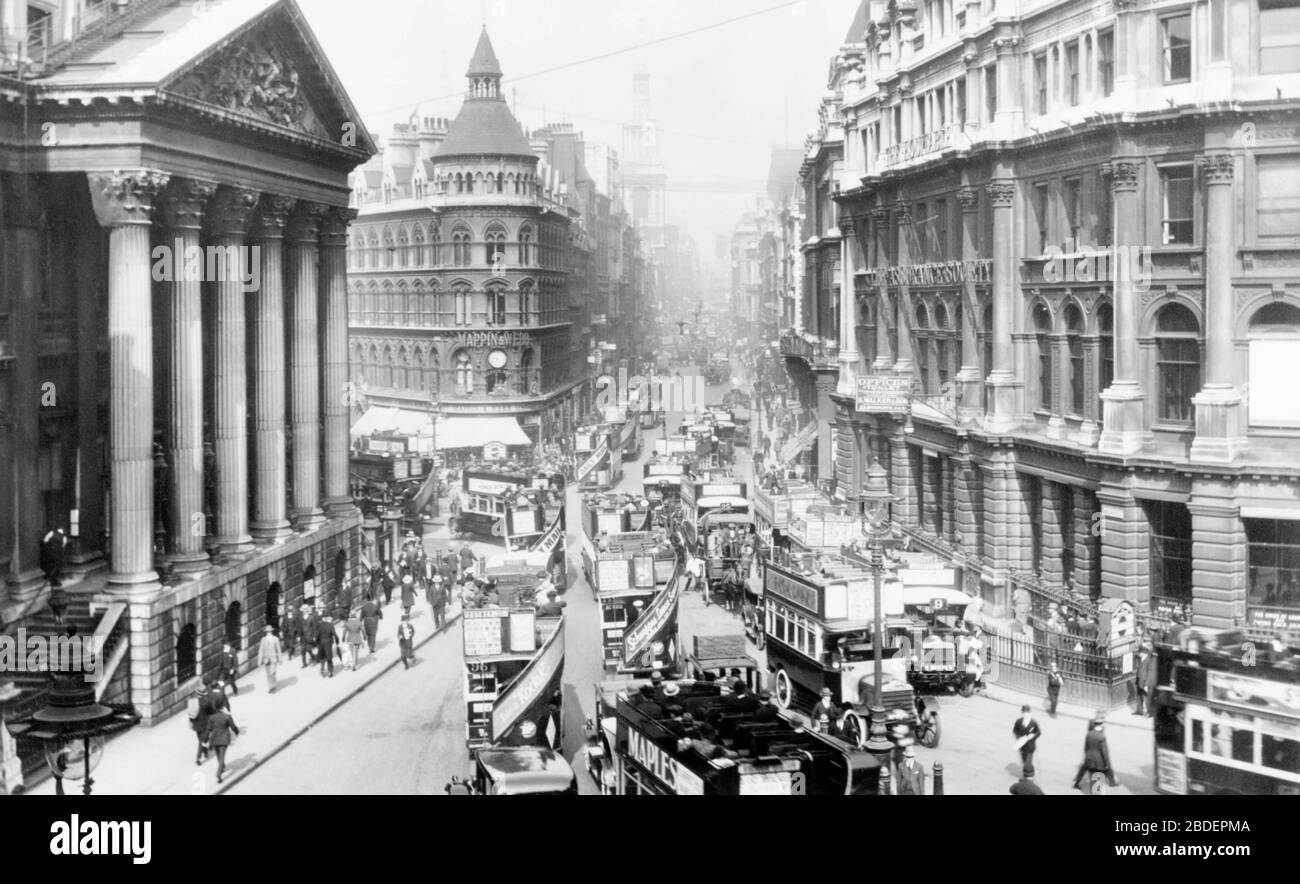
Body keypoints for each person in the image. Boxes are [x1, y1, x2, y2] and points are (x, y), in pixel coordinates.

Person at [1072, 712, 1117, 794]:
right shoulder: (1101, 737)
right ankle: (1110, 783)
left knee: (1088, 771)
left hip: (1089, 758)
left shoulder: (1089, 734)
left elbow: (1086, 747)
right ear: (1101, 725)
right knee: (1097, 778)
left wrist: (1086, 756)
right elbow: (1105, 752)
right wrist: (1107, 764)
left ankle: (1077, 782)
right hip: (1099, 761)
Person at [205, 706, 240, 785]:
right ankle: (219, 775)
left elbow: (209, 729)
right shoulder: (227, 716)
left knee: (218, 755)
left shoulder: (211, 717)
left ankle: (222, 766)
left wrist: (206, 738)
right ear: (223, 709)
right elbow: (233, 726)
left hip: (214, 738)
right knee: (222, 757)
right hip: (224, 739)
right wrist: (237, 732)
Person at [188, 685, 215, 766]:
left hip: (196, 725)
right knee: (202, 741)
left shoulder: (193, 701)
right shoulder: (206, 702)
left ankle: (205, 752)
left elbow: (190, 714)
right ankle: (198, 758)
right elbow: (212, 712)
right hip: (205, 724)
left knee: (202, 739)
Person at [1012, 705, 1042, 776]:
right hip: (1022, 745)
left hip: (1030, 746)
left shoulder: (1033, 723)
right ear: (1022, 713)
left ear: (1030, 713)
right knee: (1024, 761)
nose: (1025, 714)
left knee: (1028, 761)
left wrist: (1033, 736)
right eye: (1024, 712)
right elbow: (1015, 730)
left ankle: (1029, 775)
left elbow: (1039, 732)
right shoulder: (1018, 722)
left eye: (1027, 712)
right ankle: (1025, 775)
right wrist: (1019, 737)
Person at [257, 625, 282, 694]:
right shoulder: (263, 640)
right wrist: (259, 661)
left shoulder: (276, 639)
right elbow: (261, 650)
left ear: (272, 632)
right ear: (266, 632)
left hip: (273, 658)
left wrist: (280, 659)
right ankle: (271, 686)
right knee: (268, 674)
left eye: (270, 632)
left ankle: (273, 686)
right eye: (267, 632)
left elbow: (279, 649)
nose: (269, 633)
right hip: (266, 659)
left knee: (272, 672)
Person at [1134, 641, 1156, 717]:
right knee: (1139, 696)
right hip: (1139, 680)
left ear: (1144, 652)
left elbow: (1150, 674)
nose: (1139, 654)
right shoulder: (1141, 659)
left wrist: (1146, 684)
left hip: (1144, 682)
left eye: (1140, 652)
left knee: (1147, 698)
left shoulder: (1148, 661)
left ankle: (1149, 713)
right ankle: (1139, 710)